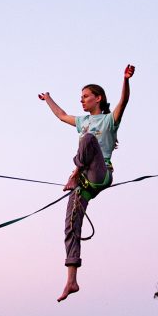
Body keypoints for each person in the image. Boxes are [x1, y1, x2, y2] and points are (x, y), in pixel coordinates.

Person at [38, 64, 135, 301]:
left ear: (98, 98)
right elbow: (62, 116)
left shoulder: (109, 120)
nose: (82, 101)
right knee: (71, 225)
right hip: (83, 182)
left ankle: (74, 172)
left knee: (89, 139)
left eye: (86, 97)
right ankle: (71, 281)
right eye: (80, 98)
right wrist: (49, 99)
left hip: (99, 174)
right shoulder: (82, 121)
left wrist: (125, 80)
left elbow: (124, 101)